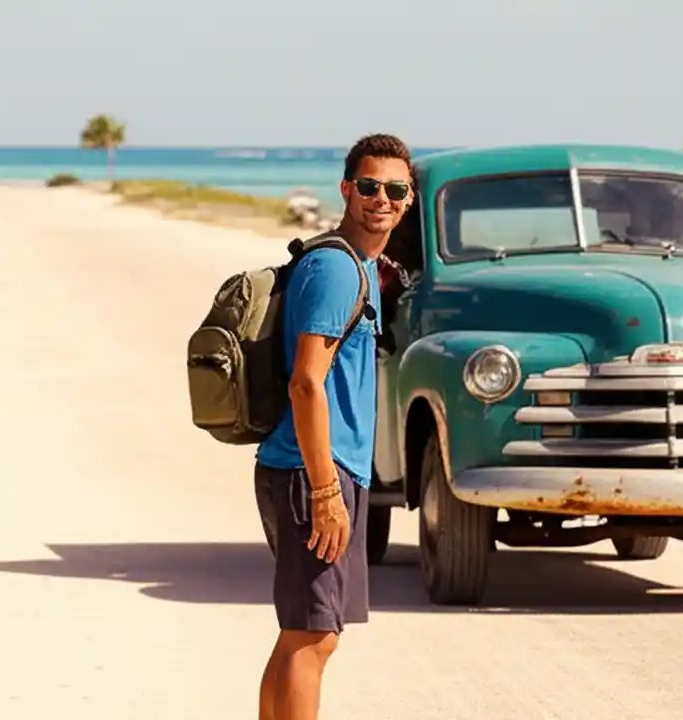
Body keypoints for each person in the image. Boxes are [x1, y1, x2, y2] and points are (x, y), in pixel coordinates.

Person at [253, 133, 415, 720]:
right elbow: (305, 382)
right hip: (311, 472)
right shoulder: (337, 270)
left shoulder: (364, 268)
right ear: (346, 189)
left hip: (315, 468)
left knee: (305, 633)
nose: (382, 199)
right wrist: (325, 492)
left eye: (395, 190)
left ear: (409, 200)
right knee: (313, 637)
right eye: (369, 186)